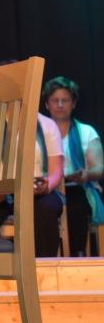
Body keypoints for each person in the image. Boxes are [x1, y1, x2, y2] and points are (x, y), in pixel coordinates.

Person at [0, 110, 64, 257]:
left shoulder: (47, 125)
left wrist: (45, 186)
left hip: (36, 190)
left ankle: (41, 268)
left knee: (46, 208)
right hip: (3, 191)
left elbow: (56, 171)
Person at [43, 76, 104, 256]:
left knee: (76, 202)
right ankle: (47, 257)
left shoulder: (86, 131)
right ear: (47, 104)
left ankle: (77, 254)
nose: (60, 104)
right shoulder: (38, 133)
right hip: (48, 190)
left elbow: (99, 168)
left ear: (73, 104)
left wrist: (85, 174)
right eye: (55, 100)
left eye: (66, 100)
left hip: (78, 188)